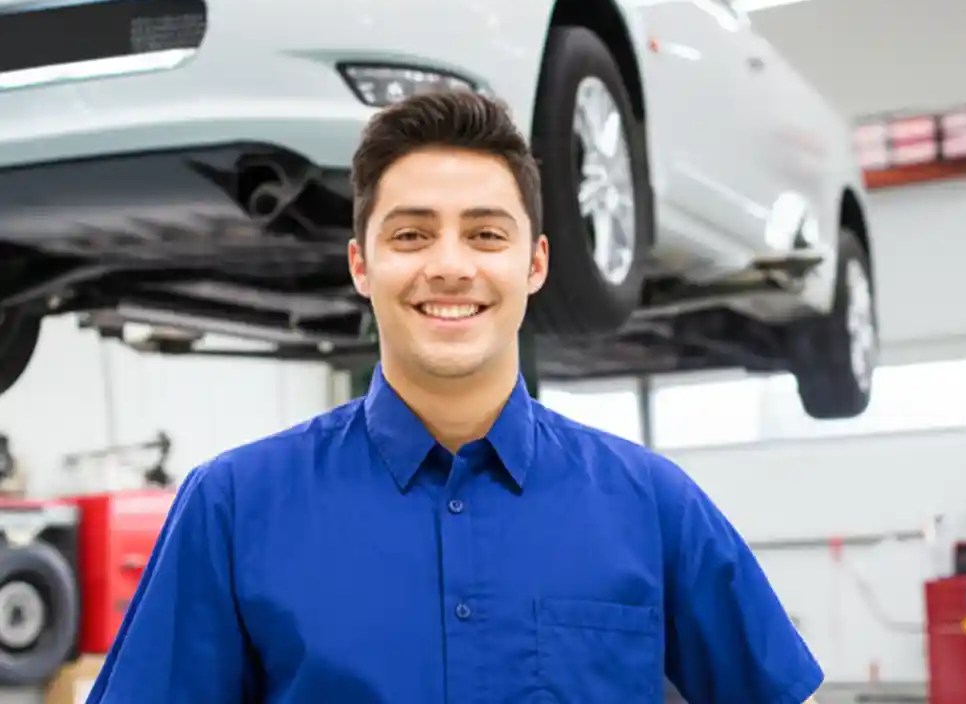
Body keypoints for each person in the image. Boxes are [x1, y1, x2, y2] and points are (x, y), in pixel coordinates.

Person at [86, 90, 824, 703]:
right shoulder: (235, 507)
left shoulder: (652, 505)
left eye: (485, 235)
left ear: (534, 264)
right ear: (360, 265)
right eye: (410, 235)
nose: (449, 266)